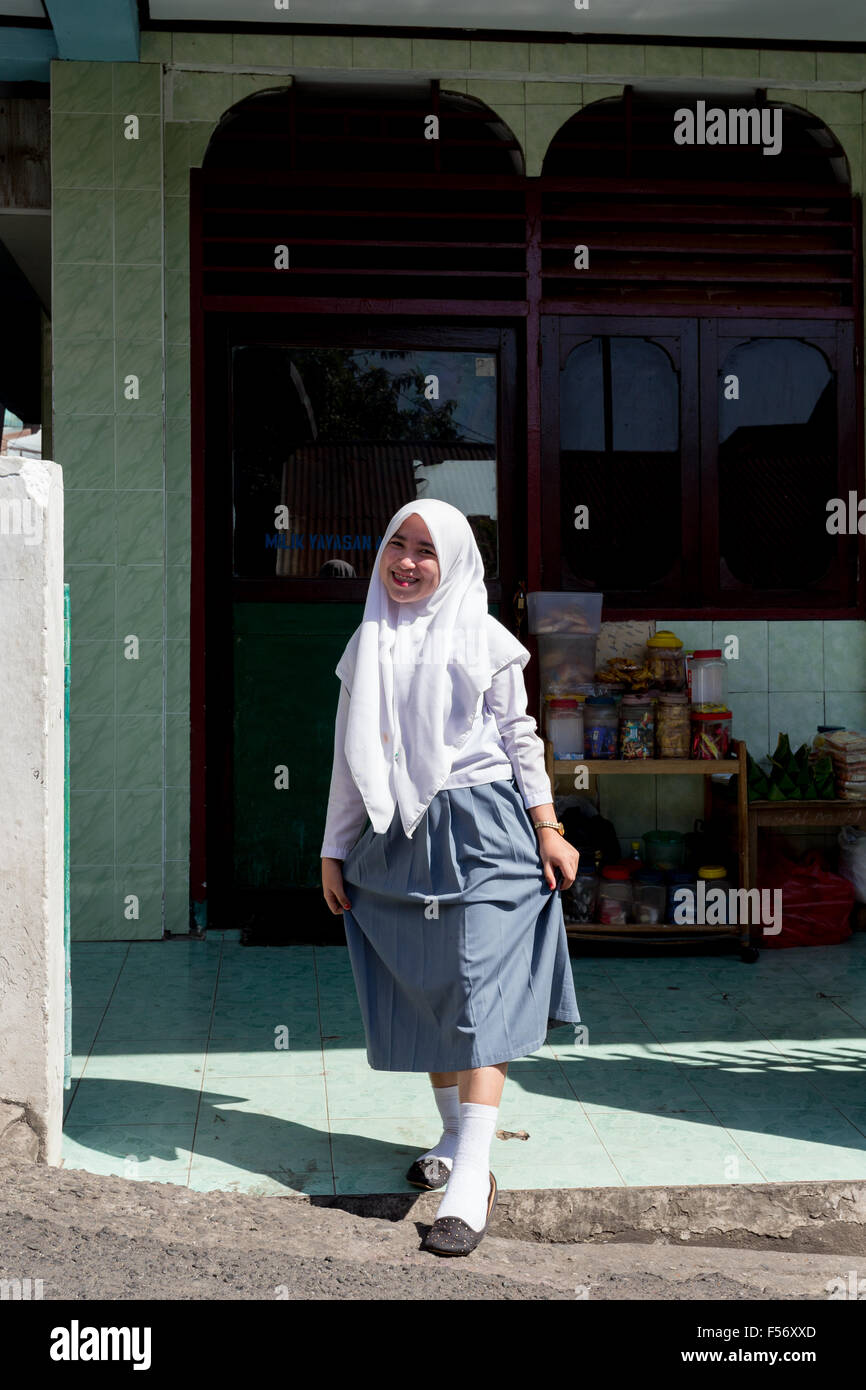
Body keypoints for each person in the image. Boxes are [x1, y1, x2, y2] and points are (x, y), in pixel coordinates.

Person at [320, 499, 581, 1256]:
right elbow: (350, 756)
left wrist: (549, 826)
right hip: (397, 833)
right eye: (396, 544)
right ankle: (449, 1132)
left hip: (484, 827)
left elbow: (520, 736)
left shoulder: (484, 637)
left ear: (456, 561)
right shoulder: (367, 643)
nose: (406, 561)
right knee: (427, 982)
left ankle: (471, 1176)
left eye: (426, 550)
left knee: (476, 988)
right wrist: (333, 849)